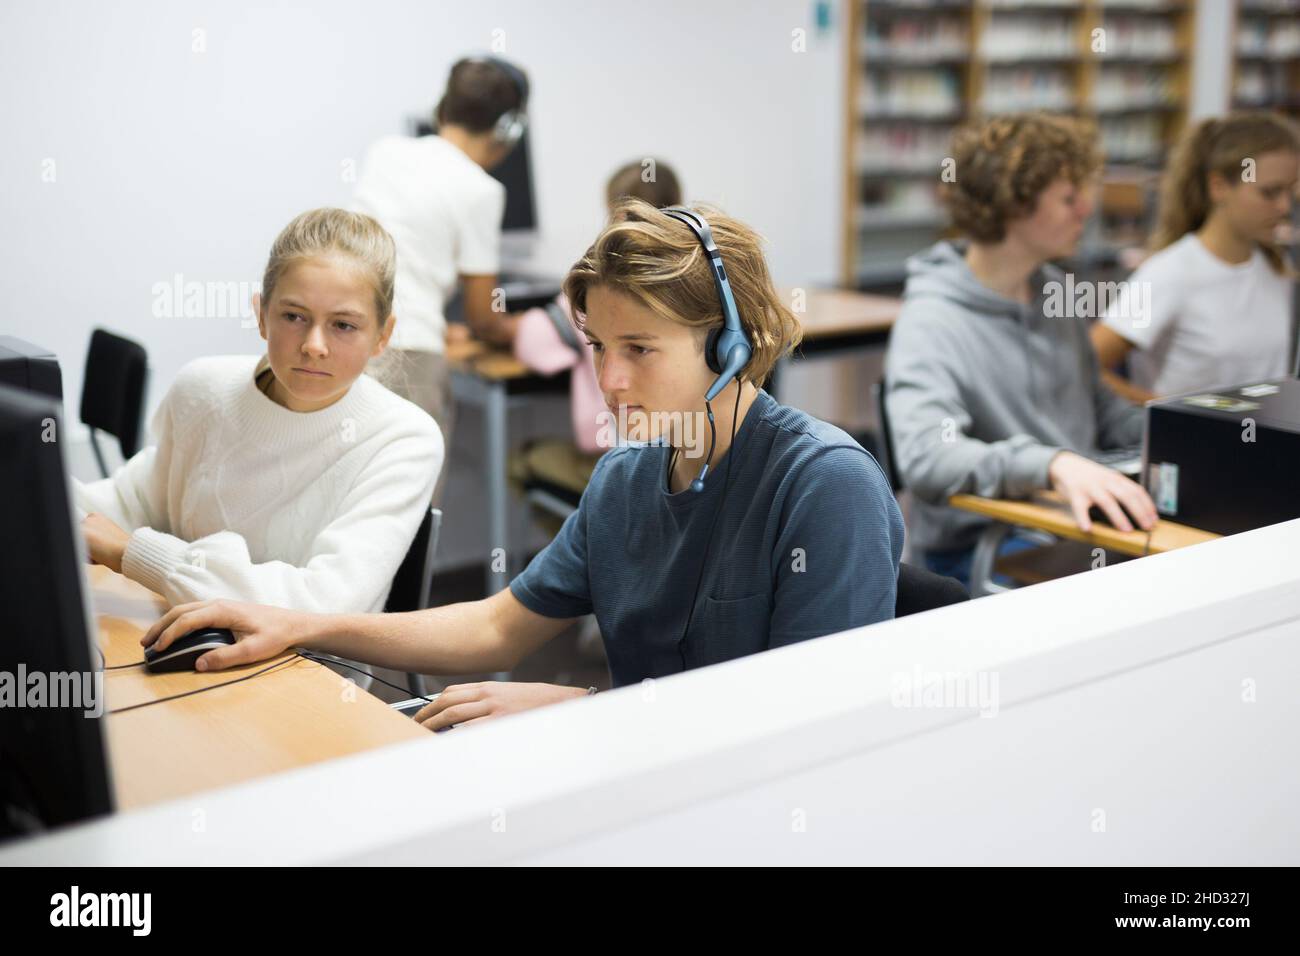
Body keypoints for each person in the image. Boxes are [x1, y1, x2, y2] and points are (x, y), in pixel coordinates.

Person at [141, 201, 905, 731]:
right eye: (599, 347)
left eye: (640, 349)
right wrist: (297, 623)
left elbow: (810, 721)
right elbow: (498, 627)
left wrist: (583, 713)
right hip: (642, 777)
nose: (608, 379)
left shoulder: (824, 487)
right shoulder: (626, 479)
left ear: (731, 349)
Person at [76, 208, 443, 614]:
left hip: (304, 669)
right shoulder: (202, 390)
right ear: (262, 315)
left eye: (343, 325)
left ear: (382, 335)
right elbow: (128, 504)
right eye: (294, 316)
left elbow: (323, 606)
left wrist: (135, 553)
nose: (314, 344)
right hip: (178, 635)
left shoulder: (404, 439)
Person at [885, 113, 1157, 587]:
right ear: (1014, 204)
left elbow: (1099, 409)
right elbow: (927, 456)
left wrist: (1179, 433)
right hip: (986, 547)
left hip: (1073, 526)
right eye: (1069, 198)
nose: (1087, 209)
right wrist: (1050, 463)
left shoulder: (1055, 293)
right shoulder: (932, 318)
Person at [351, 55, 530, 439]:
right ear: (509, 128)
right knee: (412, 493)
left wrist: (442, 324)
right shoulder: (481, 190)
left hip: (350, 334)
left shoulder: (385, 152)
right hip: (411, 354)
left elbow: (394, 258)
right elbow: (483, 316)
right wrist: (525, 328)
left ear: (441, 108)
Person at [508, 157, 685, 513]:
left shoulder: (603, 287)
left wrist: (501, 326)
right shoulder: (696, 281)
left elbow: (534, 339)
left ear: (617, 219)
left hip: (623, 461)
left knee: (520, 460)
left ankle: (592, 564)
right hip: (689, 461)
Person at [1091, 112, 1299, 402]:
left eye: (1291, 191)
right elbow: (1088, 366)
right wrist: (1167, 411)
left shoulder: (1276, 267)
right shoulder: (1170, 273)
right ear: (1219, 187)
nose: (1284, 206)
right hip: (1190, 444)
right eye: (1269, 193)